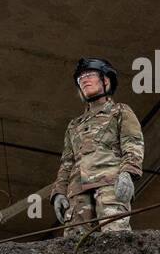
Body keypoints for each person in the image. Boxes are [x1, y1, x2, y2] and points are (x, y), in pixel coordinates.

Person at [51, 58, 144, 237]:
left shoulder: (120, 111)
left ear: (106, 80)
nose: (84, 80)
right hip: (77, 194)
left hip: (109, 186)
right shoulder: (74, 125)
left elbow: (133, 144)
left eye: (90, 75)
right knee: (74, 246)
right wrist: (58, 193)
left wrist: (128, 173)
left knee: (114, 237)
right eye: (81, 78)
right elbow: (67, 163)